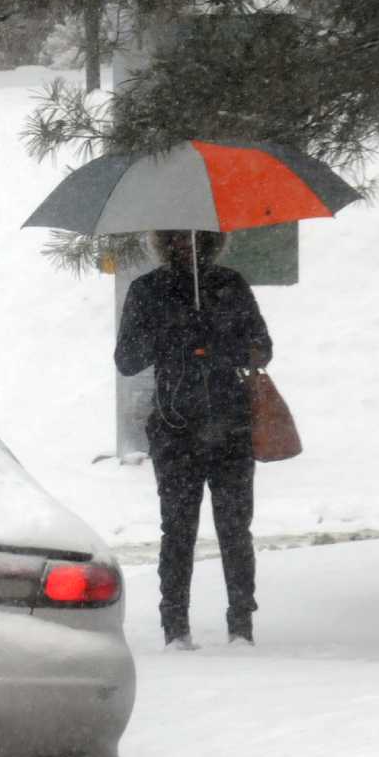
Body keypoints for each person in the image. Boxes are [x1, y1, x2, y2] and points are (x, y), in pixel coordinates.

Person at [114, 230, 273, 649]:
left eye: (199, 240)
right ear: (165, 243)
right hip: (175, 429)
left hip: (231, 426)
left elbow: (262, 349)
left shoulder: (229, 284)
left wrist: (219, 336)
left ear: (211, 242)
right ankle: (175, 628)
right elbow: (126, 359)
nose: (188, 246)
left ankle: (241, 626)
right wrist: (172, 332)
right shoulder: (148, 289)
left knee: (235, 529)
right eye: (179, 240)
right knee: (178, 530)